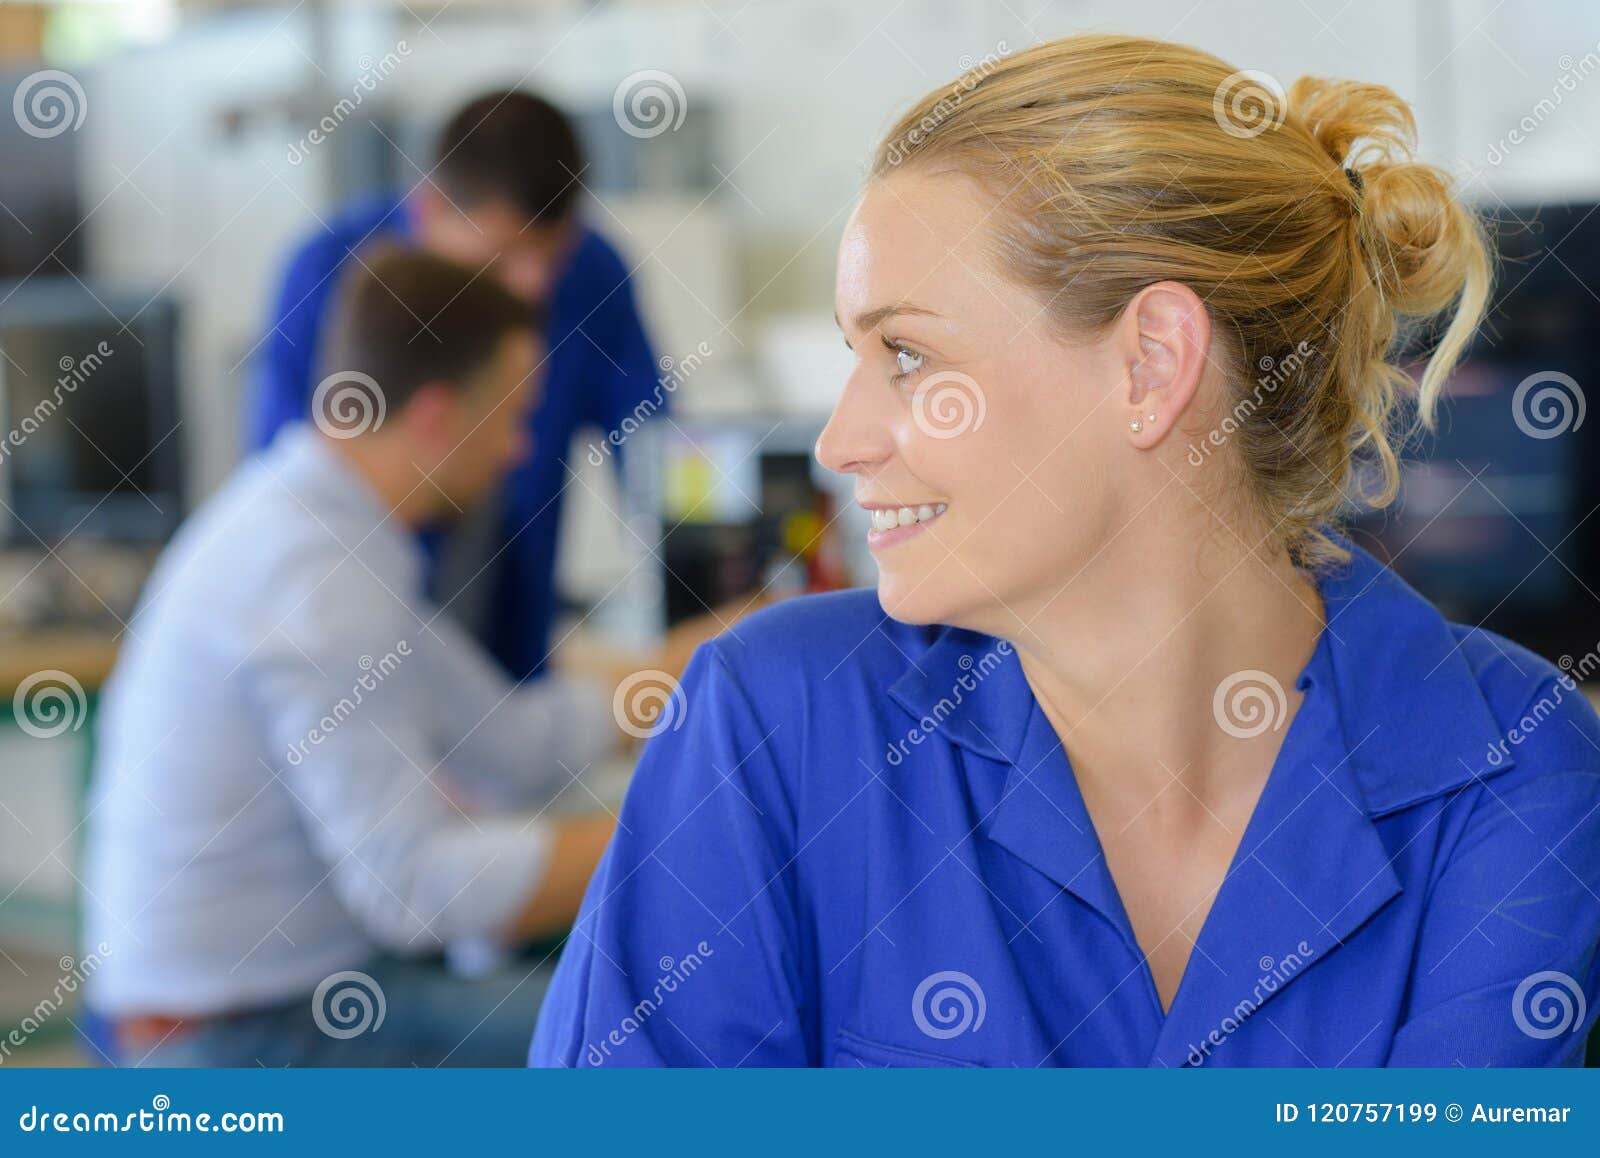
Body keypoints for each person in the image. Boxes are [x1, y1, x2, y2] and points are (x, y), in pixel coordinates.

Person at [530, 35, 1600, 1067]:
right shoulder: (778, 722)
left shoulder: (1508, 767)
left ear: (1149, 365)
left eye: (905, 354)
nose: (838, 442)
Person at [85, 248, 637, 1067]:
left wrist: (697, 673)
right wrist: (676, 835)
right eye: (513, 417)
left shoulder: (323, 528)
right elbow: (411, 889)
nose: (521, 451)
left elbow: (507, 739)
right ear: (436, 418)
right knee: (647, 1045)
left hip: (281, 996)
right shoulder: (317, 576)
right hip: (240, 1041)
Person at [252, 89, 659, 681]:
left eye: (551, 257)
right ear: (430, 209)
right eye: (503, 257)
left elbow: (652, 447)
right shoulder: (327, 271)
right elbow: (293, 485)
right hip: (357, 622)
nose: (529, 287)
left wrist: (701, 600)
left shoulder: (594, 273)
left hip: (510, 621)